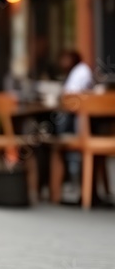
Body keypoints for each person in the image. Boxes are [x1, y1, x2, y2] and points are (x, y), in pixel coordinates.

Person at [57, 50, 94, 202]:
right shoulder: (78, 71)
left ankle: (69, 176)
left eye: (65, 58)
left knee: (60, 131)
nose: (62, 62)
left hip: (83, 125)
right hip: (88, 126)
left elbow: (71, 96)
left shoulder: (81, 71)